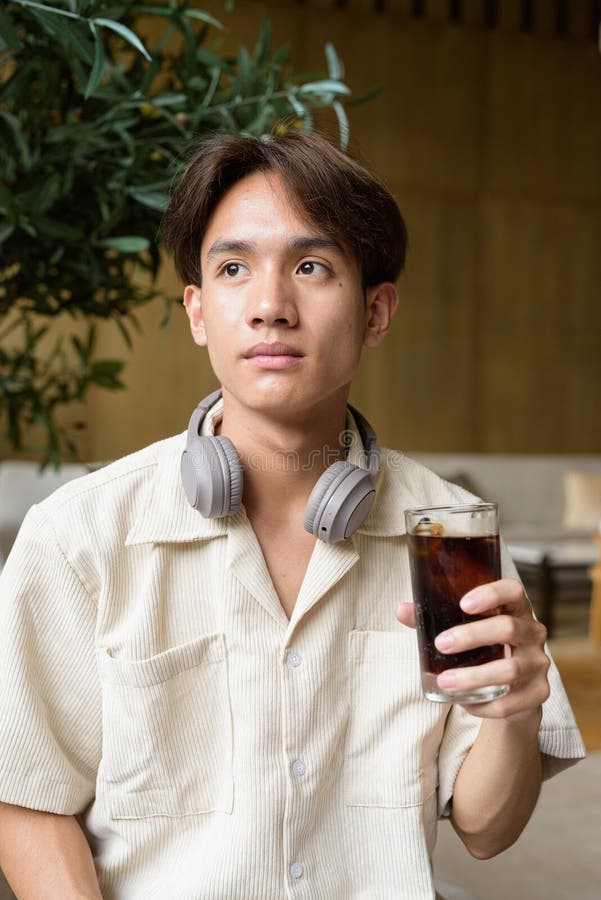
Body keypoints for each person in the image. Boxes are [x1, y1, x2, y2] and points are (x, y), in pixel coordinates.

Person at [0, 132, 585, 899]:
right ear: (197, 311)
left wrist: (513, 711)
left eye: (311, 267)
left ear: (375, 312)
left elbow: (485, 829)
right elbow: (25, 797)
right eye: (233, 269)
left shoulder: (452, 533)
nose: (270, 307)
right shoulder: (78, 536)